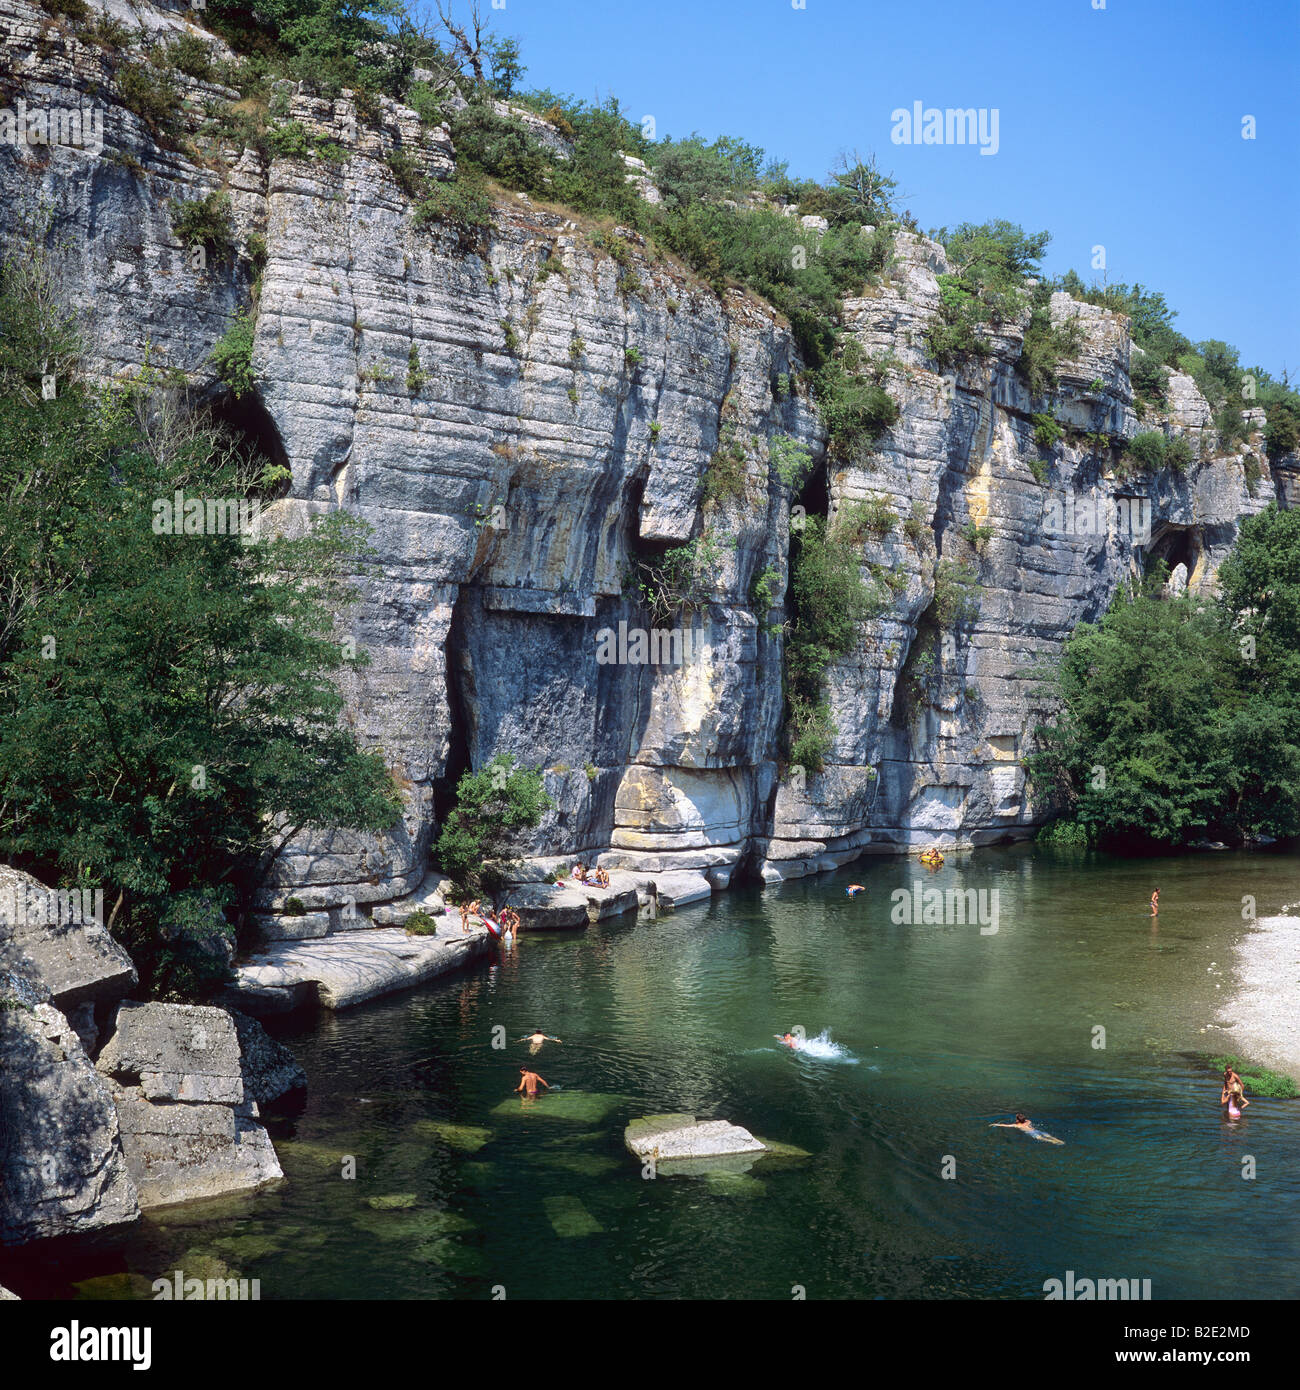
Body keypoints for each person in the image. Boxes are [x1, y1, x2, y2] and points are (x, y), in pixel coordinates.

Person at [990, 1112, 1064, 1144]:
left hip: (1031, 1133)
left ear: (1018, 1120)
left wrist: (995, 1124)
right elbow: (1025, 1120)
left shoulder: (1017, 1125)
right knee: (1047, 1135)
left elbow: (1005, 1125)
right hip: (1035, 1130)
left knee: (1041, 1138)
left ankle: (1052, 1142)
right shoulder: (1028, 1121)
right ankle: (1057, 1140)